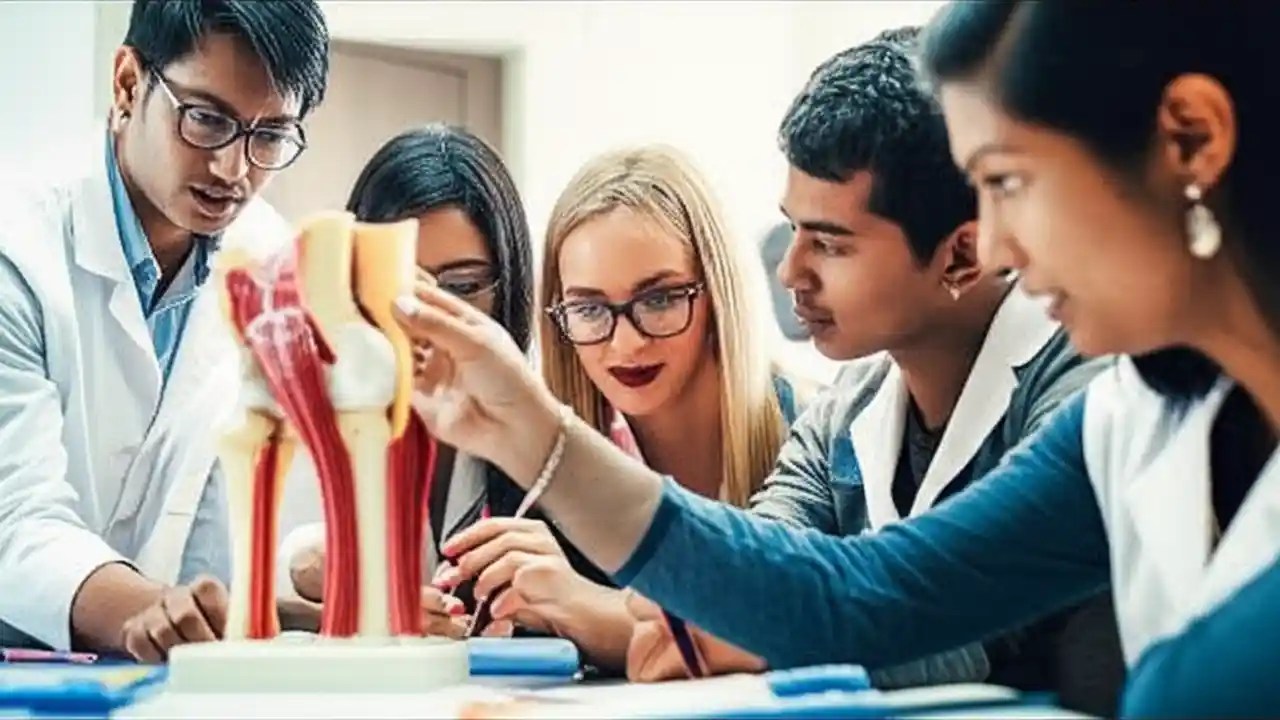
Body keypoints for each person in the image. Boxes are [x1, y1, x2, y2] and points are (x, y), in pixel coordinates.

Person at [390, 1, 1280, 715]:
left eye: (1011, 182)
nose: (997, 245)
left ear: (1193, 140)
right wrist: (536, 433)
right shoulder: (1130, 416)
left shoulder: (1077, 389)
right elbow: (856, 595)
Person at [631, 29, 1121, 712]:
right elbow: (759, 565)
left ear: (961, 256)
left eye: (829, 244)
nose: (790, 272)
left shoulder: (1082, 385)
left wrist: (768, 628)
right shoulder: (847, 409)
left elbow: (963, 629)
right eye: (792, 230)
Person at [0, 0, 328, 660]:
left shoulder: (263, 257)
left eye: (269, 136)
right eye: (207, 119)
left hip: (128, 667)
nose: (235, 170)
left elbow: (216, 531)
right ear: (127, 84)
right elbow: (16, 522)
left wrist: (332, 618)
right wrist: (155, 610)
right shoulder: (18, 246)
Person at [436, 145, 806, 673]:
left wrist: (582, 607)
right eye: (588, 309)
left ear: (718, 292)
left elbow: (793, 622)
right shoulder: (544, 482)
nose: (625, 344)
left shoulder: (818, 434)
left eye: (658, 300)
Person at [274, 124, 610, 638]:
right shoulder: (298, 408)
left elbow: (640, 621)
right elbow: (243, 601)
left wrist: (571, 600)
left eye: (462, 287)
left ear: (509, 286)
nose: (422, 314)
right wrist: (309, 577)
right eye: (397, 283)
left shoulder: (565, 417)